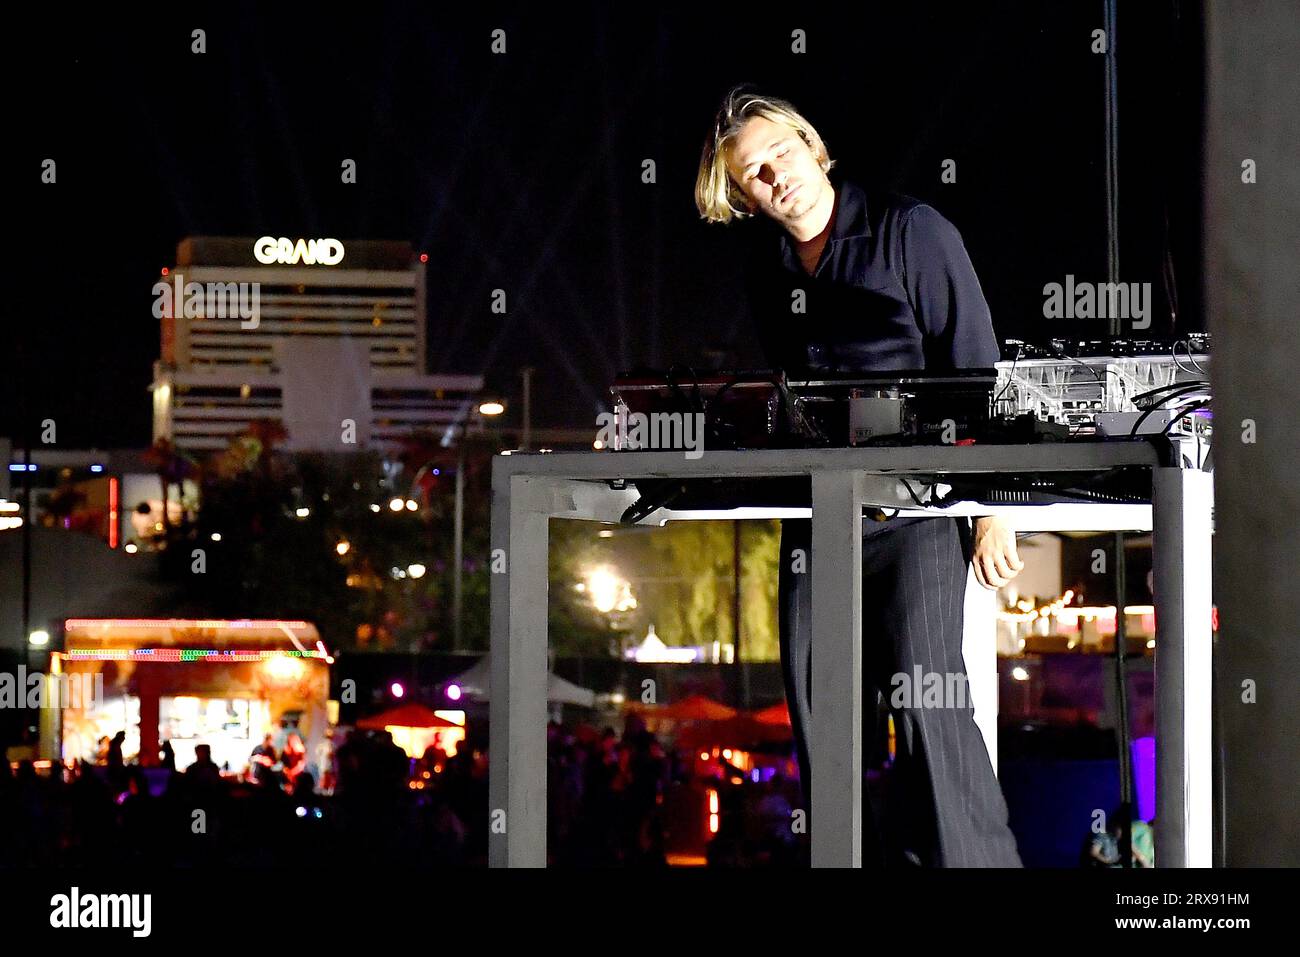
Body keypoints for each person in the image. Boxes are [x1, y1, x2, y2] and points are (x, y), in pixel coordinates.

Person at [695, 87, 1025, 867]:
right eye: (753, 173)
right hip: (820, 514)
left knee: (927, 700)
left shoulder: (911, 230)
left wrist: (991, 507)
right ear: (742, 196)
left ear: (815, 148)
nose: (776, 175)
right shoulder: (768, 268)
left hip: (919, 509)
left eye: (782, 153)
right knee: (819, 705)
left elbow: (977, 369)